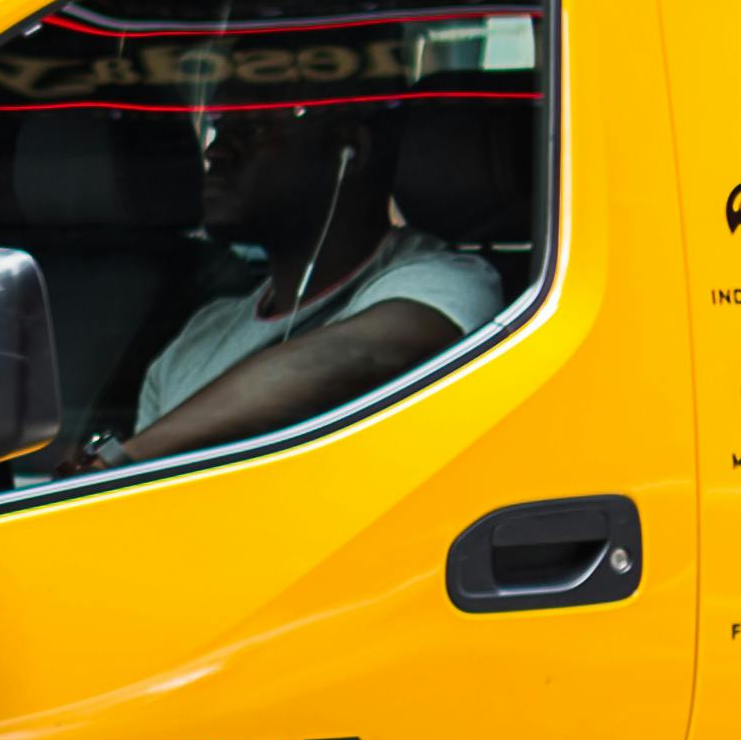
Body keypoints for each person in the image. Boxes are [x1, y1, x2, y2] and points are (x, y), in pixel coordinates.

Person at [99, 99, 502, 468]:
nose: (215, 152)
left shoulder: (445, 282)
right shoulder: (201, 334)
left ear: (350, 150)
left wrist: (128, 454)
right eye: (221, 128)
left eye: (253, 129)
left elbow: (357, 356)